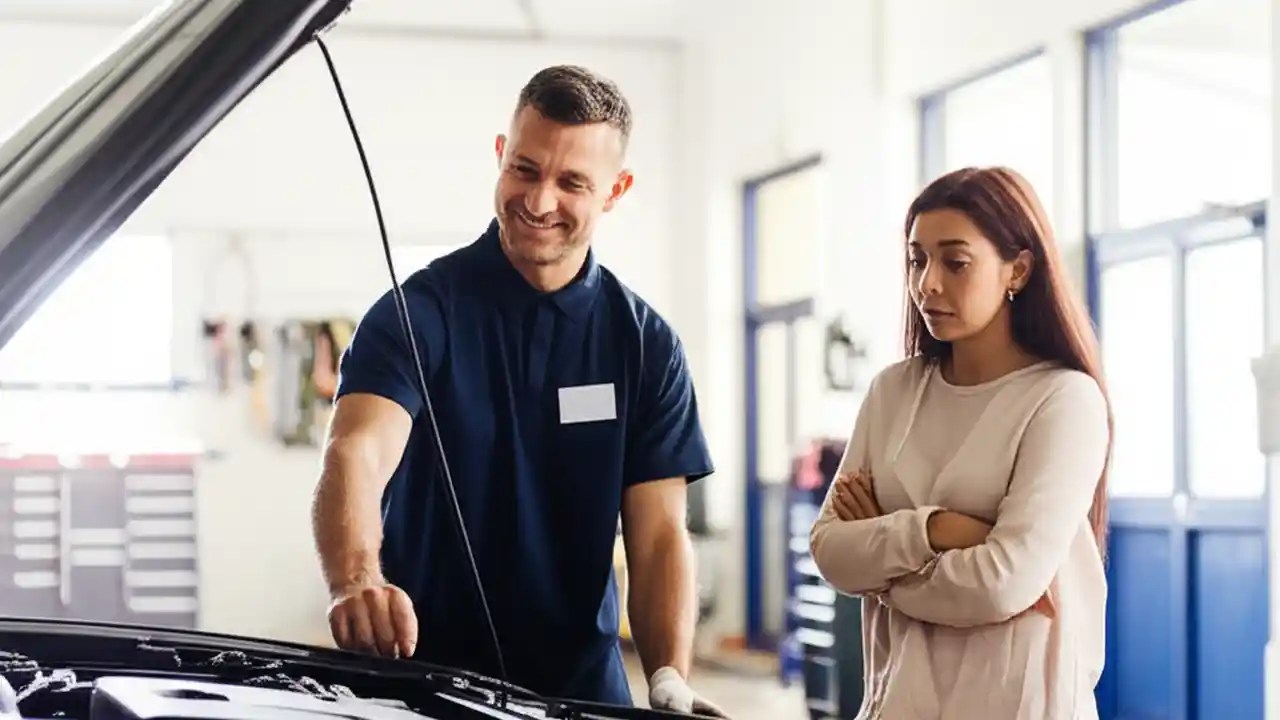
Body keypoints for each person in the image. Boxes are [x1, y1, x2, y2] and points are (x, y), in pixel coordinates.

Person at [310, 64, 725, 716]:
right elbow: (355, 451)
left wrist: (669, 675)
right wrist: (356, 579)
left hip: (580, 694)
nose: (539, 202)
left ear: (615, 190)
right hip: (419, 686)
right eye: (526, 170)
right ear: (501, 155)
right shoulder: (418, 313)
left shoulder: (643, 344)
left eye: (572, 183)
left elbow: (659, 536)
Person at [809, 166, 1113, 719]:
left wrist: (881, 565)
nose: (927, 282)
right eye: (916, 259)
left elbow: (1002, 584)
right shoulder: (893, 391)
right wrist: (937, 529)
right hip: (894, 704)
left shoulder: (1063, 400)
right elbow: (831, 551)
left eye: (955, 262)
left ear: (1017, 270)